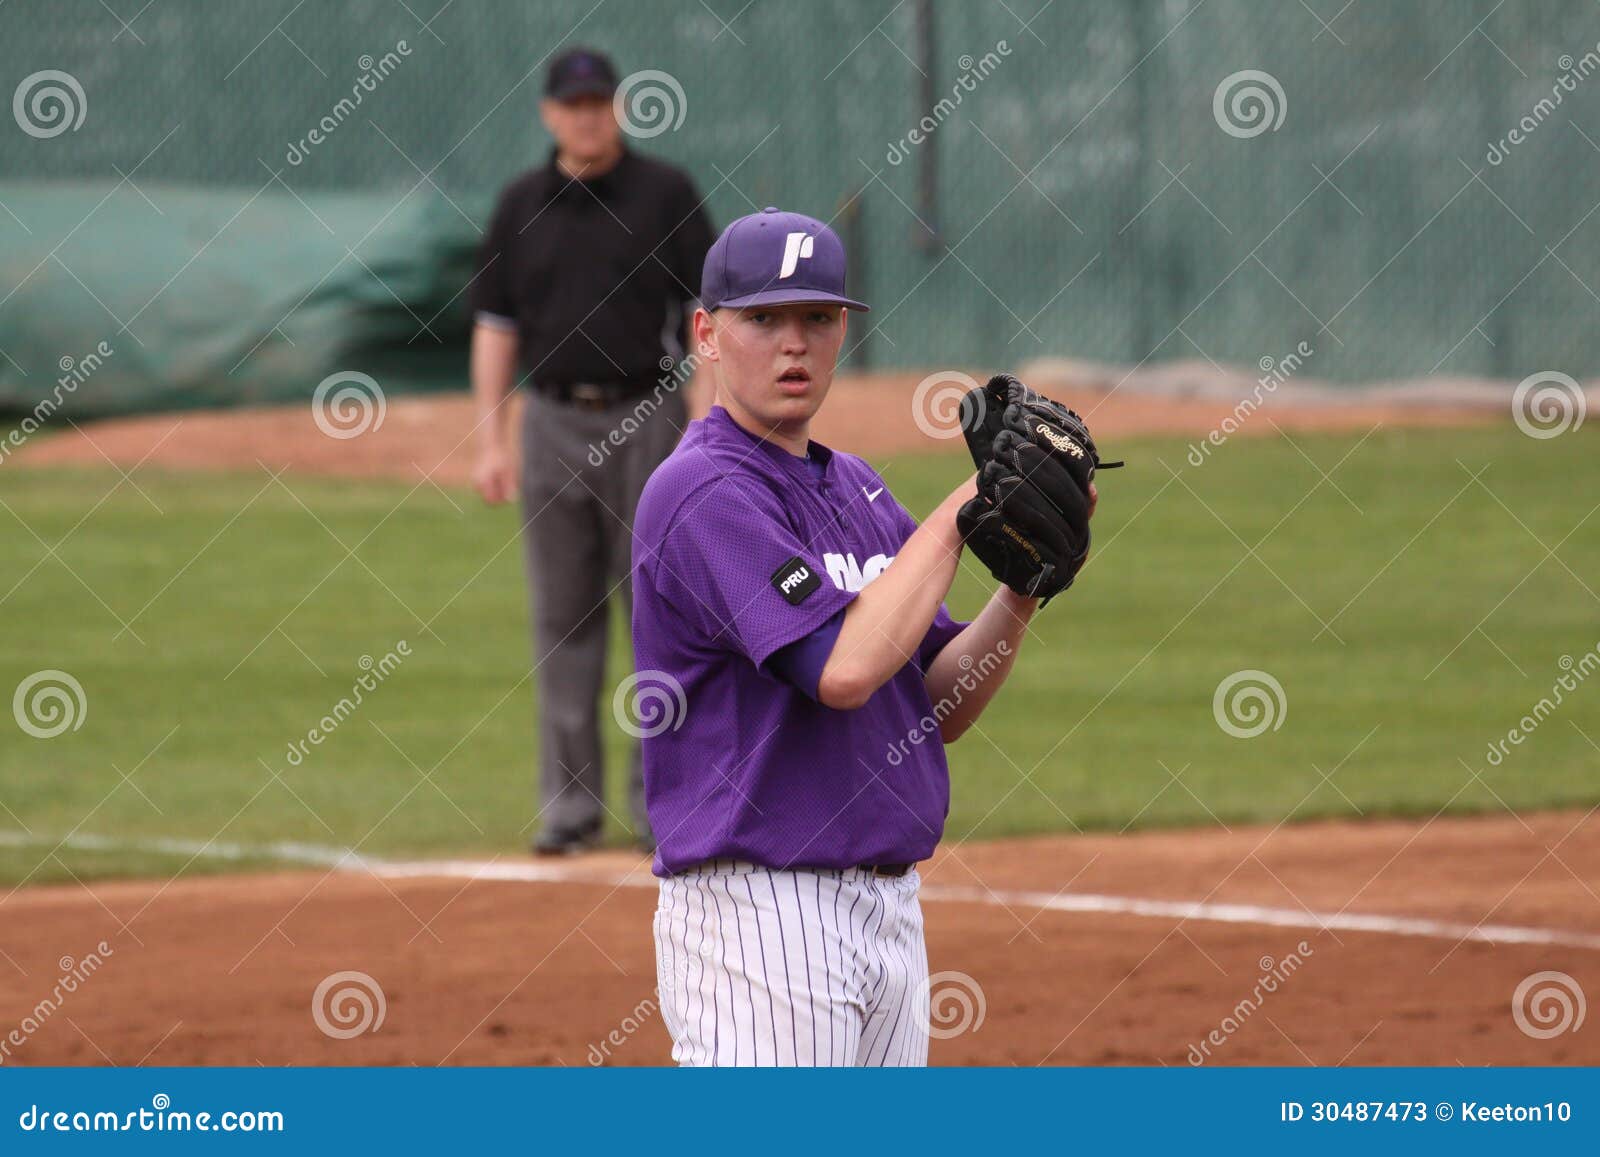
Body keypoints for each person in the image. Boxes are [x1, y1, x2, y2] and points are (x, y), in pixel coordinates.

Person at [629, 207, 1100, 1065]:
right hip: (762, 918)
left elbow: (936, 701)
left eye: (818, 318)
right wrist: (967, 507)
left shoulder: (859, 489)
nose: (794, 345)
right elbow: (844, 671)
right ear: (706, 332)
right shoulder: (700, 490)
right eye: (762, 319)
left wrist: (1022, 587)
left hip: (887, 910)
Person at [470, 48, 715, 856]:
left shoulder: (664, 194)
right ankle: (570, 812)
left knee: (660, 618)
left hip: (648, 415)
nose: (586, 115)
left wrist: (708, 428)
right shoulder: (519, 206)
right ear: (548, 113)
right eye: (572, 103)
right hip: (549, 421)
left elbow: (705, 316)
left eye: (598, 101)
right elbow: (496, 328)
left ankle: (663, 807)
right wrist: (490, 439)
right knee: (562, 622)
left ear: (618, 108)